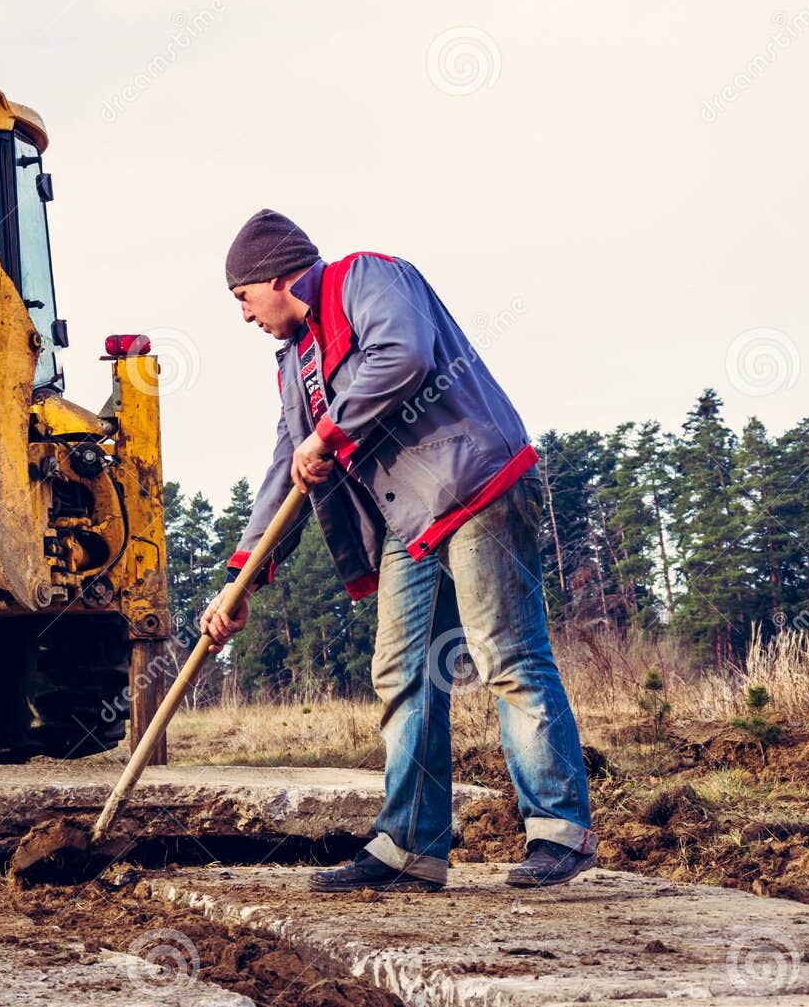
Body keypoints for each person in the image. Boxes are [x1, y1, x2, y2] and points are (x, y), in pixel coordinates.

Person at [200, 209, 597, 892]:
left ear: (275, 277)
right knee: (401, 669)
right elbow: (282, 470)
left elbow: (403, 353)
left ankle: (559, 830)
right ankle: (410, 845)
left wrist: (326, 433)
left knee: (504, 651)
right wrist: (241, 577)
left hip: (475, 483)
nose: (243, 316)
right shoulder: (297, 364)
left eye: (242, 298)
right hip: (408, 522)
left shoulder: (367, 278)